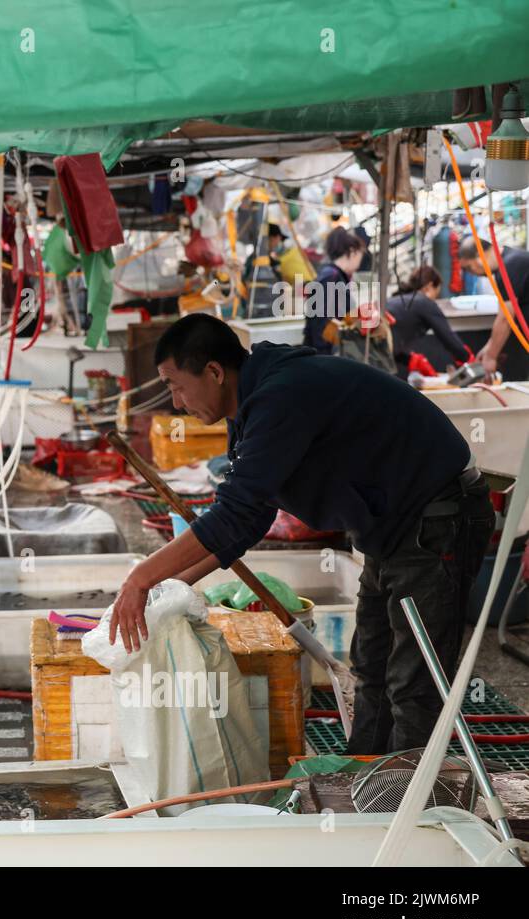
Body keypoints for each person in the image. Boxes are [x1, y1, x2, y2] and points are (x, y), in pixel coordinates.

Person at [104, 314, 493, 755]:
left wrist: (142, 579)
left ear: (214, 372)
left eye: (175, 385)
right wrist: (169, 590)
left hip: (437, 517)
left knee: (413, 680)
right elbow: (248, 522)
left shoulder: (281, 395)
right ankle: (364, 778)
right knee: (371, 666)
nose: (176, 402)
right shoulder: (249, 408)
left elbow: (232, 514)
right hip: (389, 527)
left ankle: (408, 805)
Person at [457, 236, 529, 381]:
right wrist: (489, 347)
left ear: (479, 257)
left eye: (469, 267)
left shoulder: (508, 267)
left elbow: (505, 319)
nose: (472, 273)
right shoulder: (510, 260)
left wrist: (490, 357)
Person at [386, 265, 472, 378]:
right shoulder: (424, 302)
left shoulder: (396, 300)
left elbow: (388, 344)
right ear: (430, 286)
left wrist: (411, 360)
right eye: (437, 292)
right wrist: (468, 360)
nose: (435, 299)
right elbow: (448, 338)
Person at [303, 226, 366, 355]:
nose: (359, 262)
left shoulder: (335, 276)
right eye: (360, 255)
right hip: (324, 356)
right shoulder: (331, 277)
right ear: (352, 251)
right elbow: (321, 325)